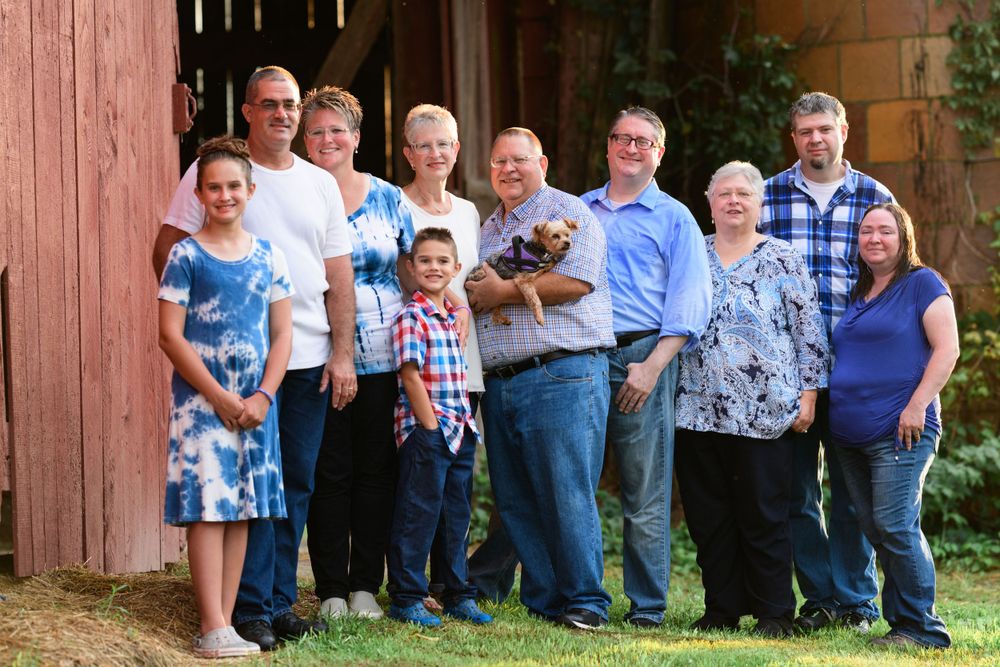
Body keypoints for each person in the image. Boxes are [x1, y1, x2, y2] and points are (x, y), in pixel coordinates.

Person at [153, 66, 354, 650]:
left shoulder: (319, 183)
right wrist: (203, 330)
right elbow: (169, 247)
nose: (281, 114)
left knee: (289, 485)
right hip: (233, 372)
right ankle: (248, 610)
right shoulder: (216, 172)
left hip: (306, 353)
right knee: (240, 489)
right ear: (247, 111)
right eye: (268, 104)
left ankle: (279, 603)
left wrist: (342, 353)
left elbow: (337, 272)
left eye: (289, 104)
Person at [465, 127, 616, 630]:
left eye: (519, 160)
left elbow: (578, 280)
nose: (508, 170)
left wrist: (502, 293)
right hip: (502, 378)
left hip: (560, 371)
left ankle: (586, 602)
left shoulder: (568, 215)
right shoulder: (486, 228)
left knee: (565, 488)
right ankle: (547, 600)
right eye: (499, 162)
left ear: (543, 163)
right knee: (514, 495)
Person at [675, 161, 829, 637]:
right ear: (709, 200)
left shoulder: (784, 257)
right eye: (724, 193)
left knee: (764, 515)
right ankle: (721, 608)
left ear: (760, 203)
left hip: (765, 411)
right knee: (709, 516)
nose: (734, 201)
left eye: (744, 193)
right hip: (697, 408)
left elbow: (810, 333)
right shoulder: (690, 255)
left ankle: (774, 612)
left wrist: (809, 395)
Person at [760, 91, 894, 633]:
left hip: (857, 371)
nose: (816, 139)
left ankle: (857, 601)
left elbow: (897, 280)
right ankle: (818, 598)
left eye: (825, 129)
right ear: (793, 138)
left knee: (854, 493)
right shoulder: (766, 196)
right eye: (804, 131)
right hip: (785, 371)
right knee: (796, 493)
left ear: (844, 131)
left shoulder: (875, 196)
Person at [157, 136, 293, 658]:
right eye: (213, 187)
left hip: (257, 406)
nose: (224, 195)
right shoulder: (186, 256)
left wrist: (262, 395)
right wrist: (217, 396)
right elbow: (170, 335)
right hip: (202, 403)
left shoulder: (269, 256)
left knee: (241, 509)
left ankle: (228, 621)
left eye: (233, 185)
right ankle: (210, 623)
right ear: (200, 192)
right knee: (208, 509)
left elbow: (282, 335)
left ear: (251, 190)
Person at [581, 107, 712, 628]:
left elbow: (690, 299)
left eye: (643, 141)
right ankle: (579, 595)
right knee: (574, 483)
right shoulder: (579, 209)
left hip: (644, 358)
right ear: (608, 146)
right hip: (583, 358)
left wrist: (653, 366)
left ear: (659, 153)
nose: (631, 148)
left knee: (644, 490)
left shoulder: (675, 217)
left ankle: (647, 607)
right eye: (621, 138)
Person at [300, 86, 416, 620]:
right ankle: (329, 591)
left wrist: (447, 311)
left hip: (384, 357)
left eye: (336, 129)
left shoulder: (389, 196)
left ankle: (366, 586)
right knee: (329, 471)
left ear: (356, 137)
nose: (327, 139)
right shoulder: (298, 195)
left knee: (377, 470)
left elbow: (412, 270)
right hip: (315, 354)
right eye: (316, 130)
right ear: (305, 139)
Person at [829, 204, 957, 649]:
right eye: (866, 232)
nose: (874, 239)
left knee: (896, 525)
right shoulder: (861, 291)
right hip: (849, 435)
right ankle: (901, 624)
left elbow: (947, 349)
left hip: (901, 429)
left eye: (885, 231)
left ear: (904, 237)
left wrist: (917, 404)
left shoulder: (922, 283)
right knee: (879, 529)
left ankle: (925, 628)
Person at [398, 104, 509, 603]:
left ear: (457, 150)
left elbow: (477, 276)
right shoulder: (395, 204)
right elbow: (402, 275)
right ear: (409, 153)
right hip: (420, 355)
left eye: (444, 144)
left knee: (457, 486)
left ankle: (450, 584)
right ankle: (409, 585)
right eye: (424, 145)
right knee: (421, 482)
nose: (435, 153)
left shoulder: (468, 212)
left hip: (464, 361)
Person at [386, 227, 493, 627]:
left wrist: (457, 425)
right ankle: (407, 596)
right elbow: (410, 375)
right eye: (425, 260)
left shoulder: (451, 317)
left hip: (460, 428)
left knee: (455, 514)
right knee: (419, 512)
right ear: (411, 266)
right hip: (425, 430)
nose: (433, 267)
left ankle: (455, 593)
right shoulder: (411, 316)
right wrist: (429, 428)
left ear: (456, 269)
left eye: (442, 261)